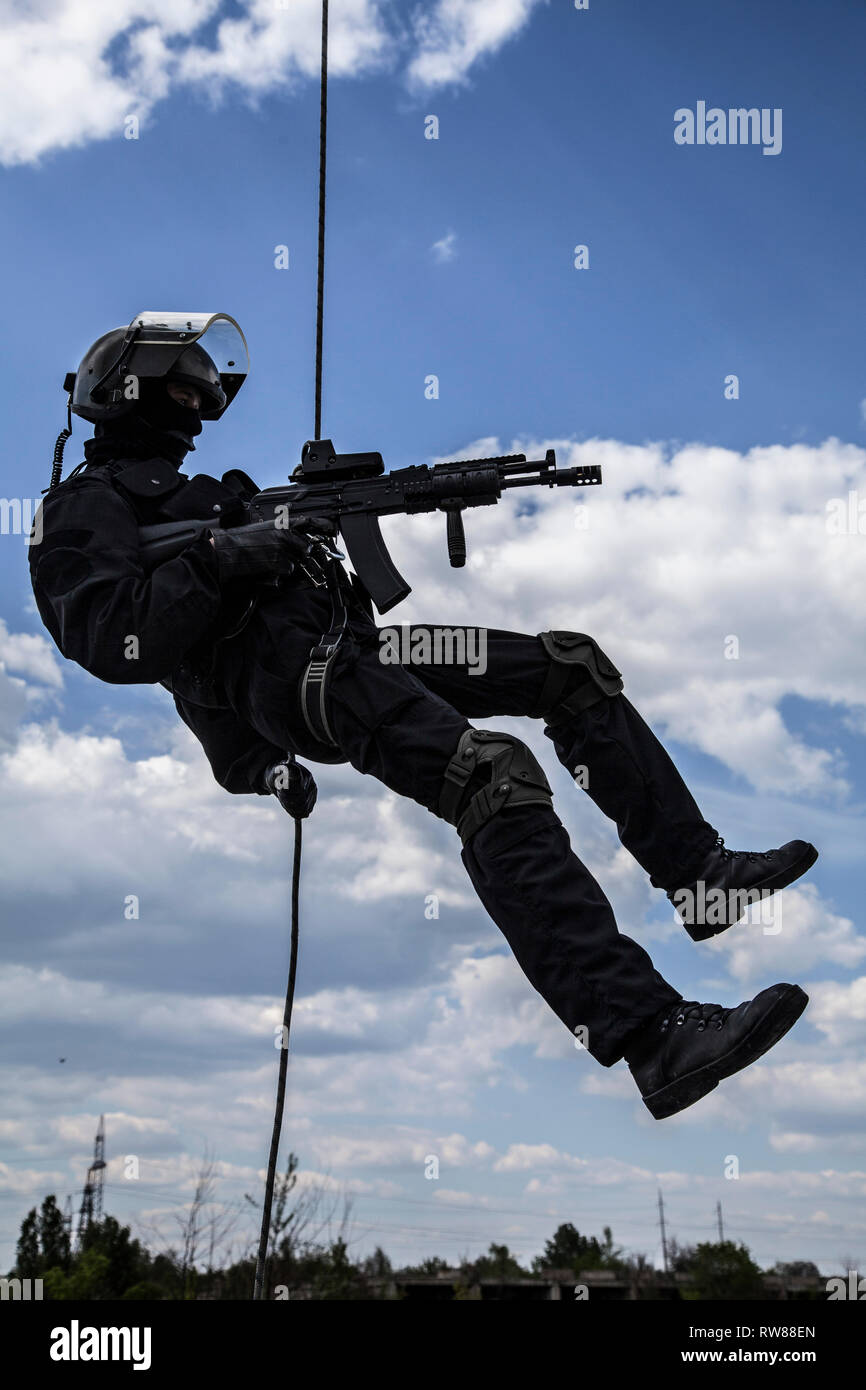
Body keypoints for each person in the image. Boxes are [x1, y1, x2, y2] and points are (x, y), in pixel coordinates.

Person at [29, 311, 818, 1121]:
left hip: (358, 653)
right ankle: (654, 1037)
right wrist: (224, 569)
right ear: (126, 390)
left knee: (567, 666)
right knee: (490, 773)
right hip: (304, 679)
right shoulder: (81, 508)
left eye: (205, 392)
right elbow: (114, 639)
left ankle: (698, 875)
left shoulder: (204, 496)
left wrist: (304, 525)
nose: (197, 408)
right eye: (184, 389)